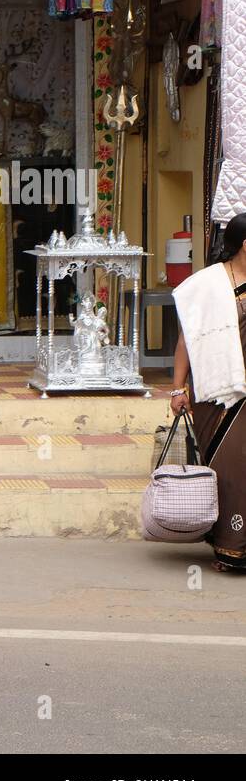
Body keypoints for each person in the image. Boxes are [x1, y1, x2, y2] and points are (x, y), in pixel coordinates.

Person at [171, 212, 246, 572]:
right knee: (232, 468)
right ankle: (232, 547)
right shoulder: (208, 285)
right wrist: (176, 388)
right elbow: (188, 339)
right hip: (219, 393)